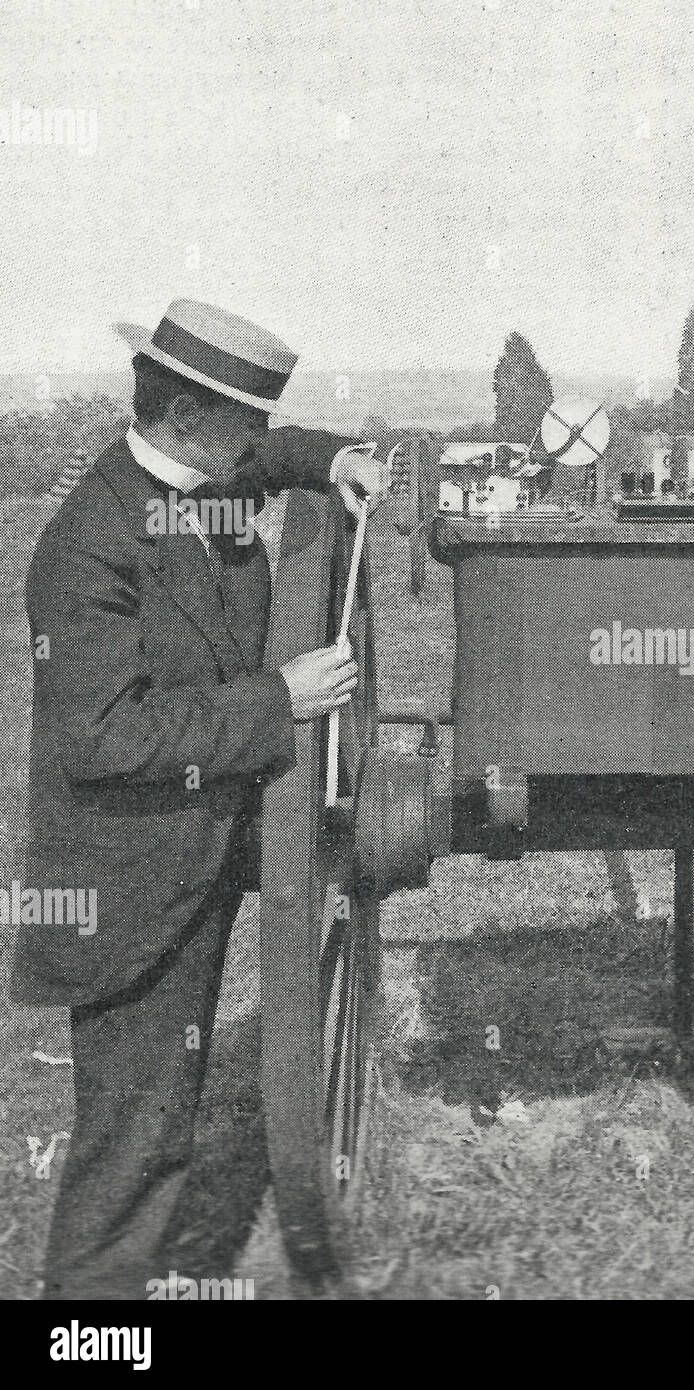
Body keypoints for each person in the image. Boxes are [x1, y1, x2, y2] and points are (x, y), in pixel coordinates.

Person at [10, 298, 388, 1298]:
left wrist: (335, 458)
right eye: (250, 421)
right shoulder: (89, 545)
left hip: (203, 848)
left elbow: (268, 461)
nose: (261, 442)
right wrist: (281, 698)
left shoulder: (194, 470)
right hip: (129, 883)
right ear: (185, 416)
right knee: (132, 1141)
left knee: (164, 1119)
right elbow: (102, 738)